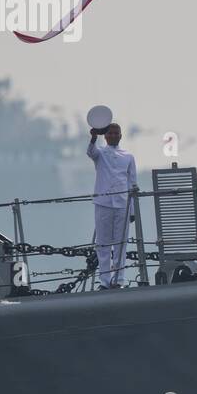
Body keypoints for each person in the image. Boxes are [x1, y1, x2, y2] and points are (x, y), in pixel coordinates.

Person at [86, 122, 138, 288]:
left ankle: (119, 280)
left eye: (116, 133)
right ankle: (105, 281)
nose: (114, 136)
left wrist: (133, 210)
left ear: (121, 136)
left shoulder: (128, 156)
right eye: (110, 133)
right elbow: (90, 152)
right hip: (103, 203)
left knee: (121, 244)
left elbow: (132, 183)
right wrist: (94, 137)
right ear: (105, 135)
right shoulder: (100, 153)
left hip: (123, 203)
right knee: (103, 244)